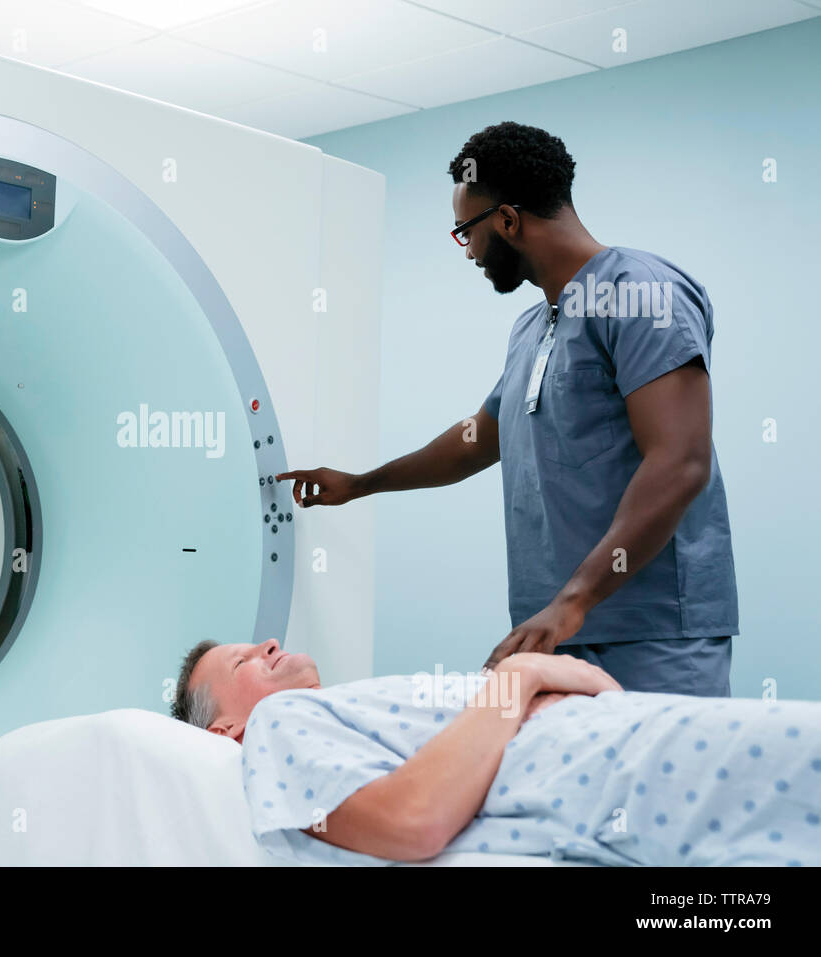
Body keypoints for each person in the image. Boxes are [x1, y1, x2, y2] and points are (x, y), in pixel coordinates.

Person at [279, 121, 738, 696]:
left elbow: (681, 461)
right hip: (554, 632)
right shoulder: (534, 325)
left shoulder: (641, 292)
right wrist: (361, 483)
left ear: (507, 221)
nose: (467, 252)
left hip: (651, 632)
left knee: (661, 787)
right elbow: (479, 437)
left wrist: (574, 601)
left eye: (464, 232)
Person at [171, 639, 819, 866]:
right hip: (605, 760)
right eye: (244, 659)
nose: (270, 642)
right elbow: (412, 819)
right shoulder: (282, 722)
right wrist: (523, 674)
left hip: (616, 738)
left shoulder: (343, 711)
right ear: (226, 731)